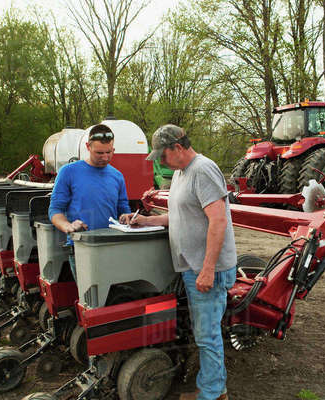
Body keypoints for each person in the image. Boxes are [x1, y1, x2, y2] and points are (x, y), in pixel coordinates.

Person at [121, 124, 236, 400]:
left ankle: (212, 395)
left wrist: (208, 269)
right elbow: (181, 216)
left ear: (179, 148)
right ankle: (212, 388)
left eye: (163, 155)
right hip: (191, 267)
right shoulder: (181, 173)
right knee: (202, 333)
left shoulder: (203, 170)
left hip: (206, 269)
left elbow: (218, 221)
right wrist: (145, 220)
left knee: (207, 336)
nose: (160, 161)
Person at [49, 124, 131, 281]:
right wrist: (69, 226)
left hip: (111, 246)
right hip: (81, 248)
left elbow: (123, 208)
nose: (105, 157)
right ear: (88, 147)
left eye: (109, 152)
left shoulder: (117, 176)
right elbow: (55, 211)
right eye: (99, 153)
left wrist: (127, 216)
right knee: (90, 298)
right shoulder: (68, 172)